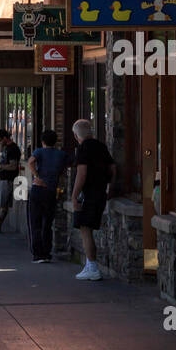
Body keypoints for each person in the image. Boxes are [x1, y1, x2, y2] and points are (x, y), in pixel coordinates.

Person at [71, 119, 115, 281]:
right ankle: (91, 265)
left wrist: (74, 195)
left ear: (76, 135)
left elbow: (81, 174)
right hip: (101, 192)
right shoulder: (101, 146)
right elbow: (113, 168)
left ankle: (92, 266)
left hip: (88, 194)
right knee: (87, 227)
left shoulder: (83, 149)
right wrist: (111, 186)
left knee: (85, 228)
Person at [27, 129, 69, 262]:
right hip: (51, 190)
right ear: (55, 141)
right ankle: (46, 252)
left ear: (42, 141)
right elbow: (67, 167)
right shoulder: (61, 154)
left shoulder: (39, 151)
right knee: (48, 222)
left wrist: (37, 175)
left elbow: (30, 161)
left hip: (38, 188)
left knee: (35, 222)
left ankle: (38, 254)